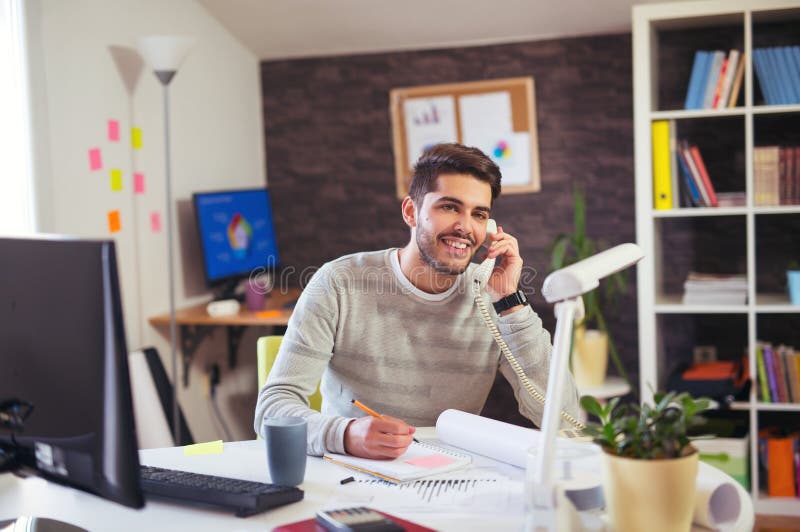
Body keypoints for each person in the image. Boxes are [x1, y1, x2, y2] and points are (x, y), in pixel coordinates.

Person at [254, 143, 579, 459]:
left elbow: (566, 419)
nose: (465, 227)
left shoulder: (491, 295)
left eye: (479, 214)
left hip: (449, 476)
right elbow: (272, 411)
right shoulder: (339, 282)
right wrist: (347, 434)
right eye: (449, 207)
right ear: (411, 211)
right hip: (353, 470)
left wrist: (510, 303)